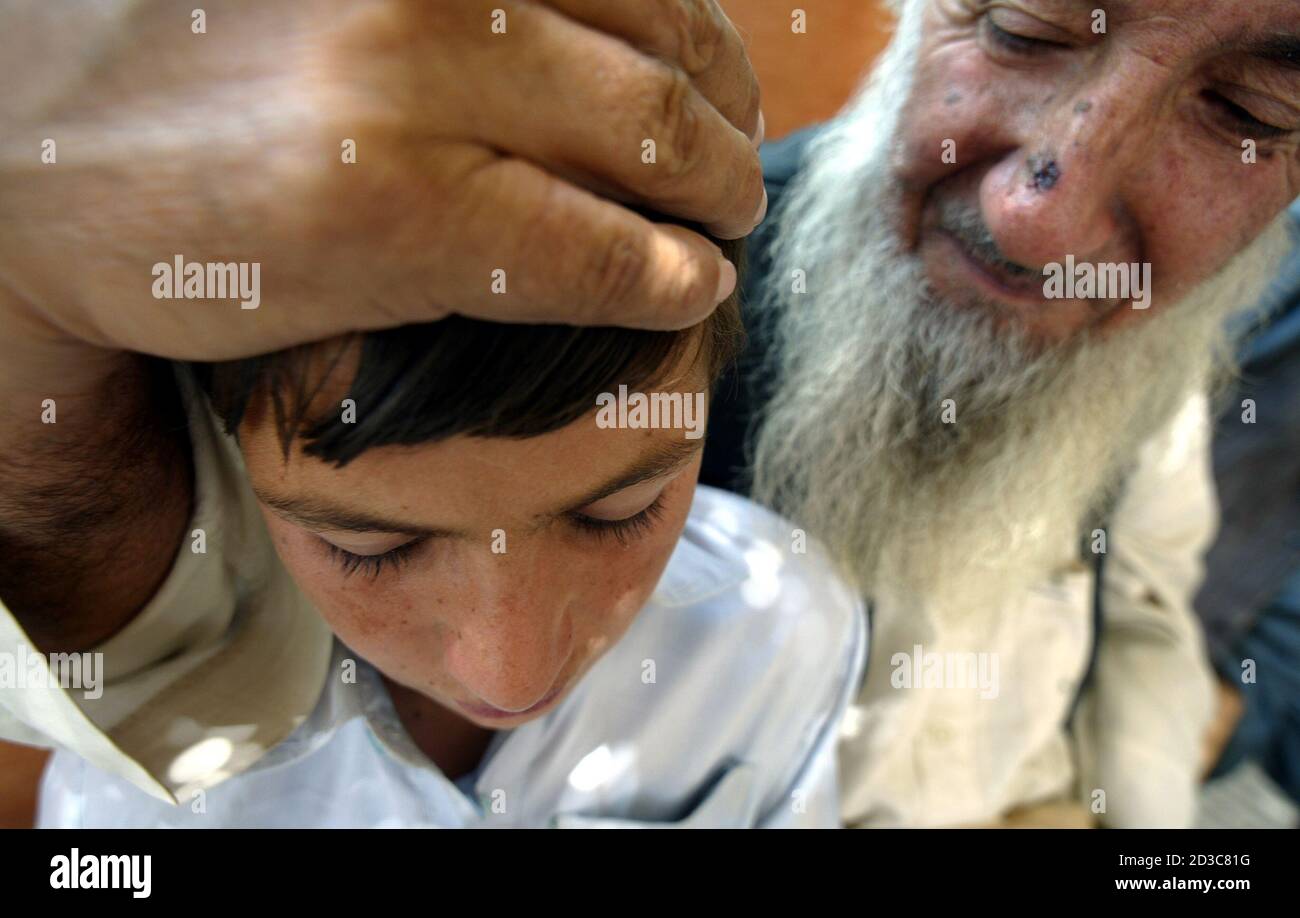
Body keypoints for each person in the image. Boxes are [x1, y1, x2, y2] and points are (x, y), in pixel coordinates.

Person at [22, 234, 864, 828]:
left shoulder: (777, 641)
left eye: (623, 510)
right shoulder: (147, 760)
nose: (512, 673)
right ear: (219, 447)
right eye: (368, 551)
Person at [701, 0, 1299, 827]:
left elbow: (1147, 617)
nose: (1036, 221)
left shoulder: (1145, 342)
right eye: (1023, 29)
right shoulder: (665, 315)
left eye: (1248, 113)